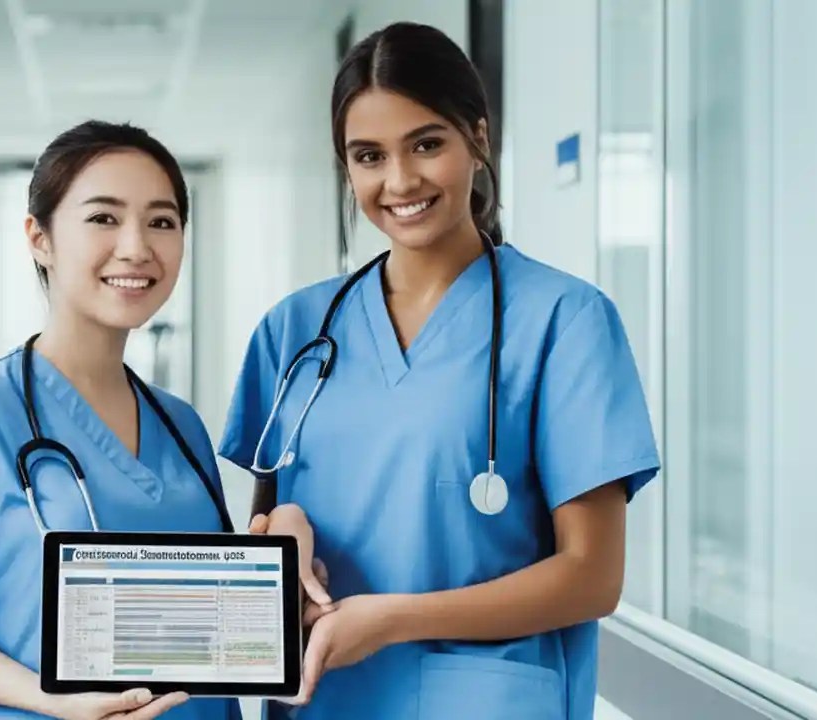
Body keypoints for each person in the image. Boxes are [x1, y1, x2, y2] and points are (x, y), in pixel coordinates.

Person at [223, 22, 661, 720]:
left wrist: (392, 619)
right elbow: (265, 538)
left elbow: (592, 578)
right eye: (368, 156)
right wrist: (285, 526)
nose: (399, 181)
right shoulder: (297, 329)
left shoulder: (564, 319)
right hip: (324, 700)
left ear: (478, 140)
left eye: (427, 144)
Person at [0, 120, 242, 720]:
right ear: (39, 238)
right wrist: (59, 702)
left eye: (162, 221)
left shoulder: (182, 427)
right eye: (103, 218)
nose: (137, 246)